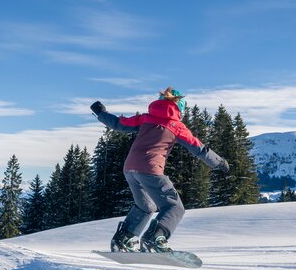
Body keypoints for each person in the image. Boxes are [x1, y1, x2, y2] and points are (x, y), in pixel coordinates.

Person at [91, 87, 229, 252]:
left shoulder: (146, 118)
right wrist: (219, 162)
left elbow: (119, 124)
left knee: (146, 207)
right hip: (150, 169)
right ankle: (154, 239)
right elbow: (198, 148)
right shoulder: (176, 126)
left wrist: (101, 113)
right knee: (174, 206)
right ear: (180, 108)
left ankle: (123, 240)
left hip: (130, 168)